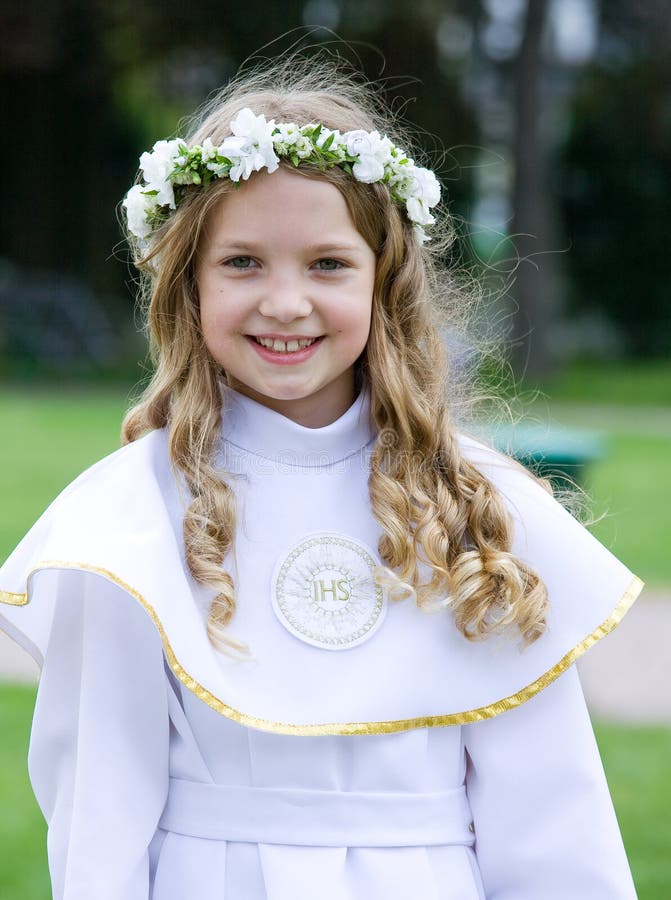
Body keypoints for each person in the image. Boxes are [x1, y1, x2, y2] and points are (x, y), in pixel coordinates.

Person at [0, 54, 643, 900]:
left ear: (387, 282)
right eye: (241, 263)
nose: (284, 302)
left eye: (327, 264)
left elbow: (554, 820)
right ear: (187, 286)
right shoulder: (130, 521)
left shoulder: (476, 507)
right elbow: (99, 810)